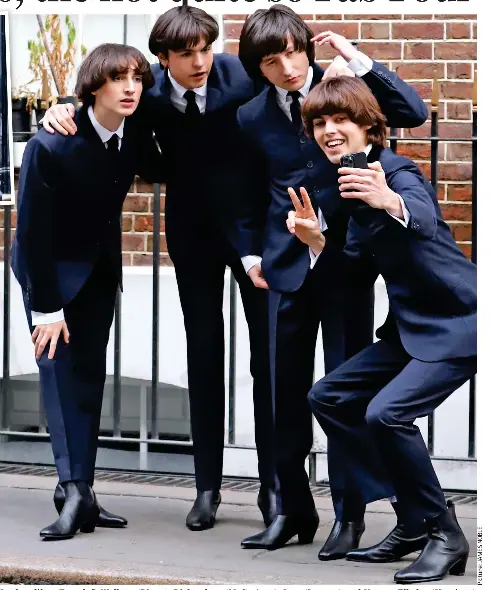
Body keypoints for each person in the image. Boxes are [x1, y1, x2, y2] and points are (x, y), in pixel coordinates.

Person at [42, 6, 277, 532]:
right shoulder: (144, 92)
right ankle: (207, 489)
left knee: (267, 359)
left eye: (206, 49)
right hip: (193, 234)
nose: (200, 62)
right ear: (163, 58)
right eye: (187, 54)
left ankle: (273, 487)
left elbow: (293, 90)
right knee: (204, 355)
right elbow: (99, 105)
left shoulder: (241, 75)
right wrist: (57, 110)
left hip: (253, 233)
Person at [236, 5, 428, 558]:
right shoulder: (251, 116)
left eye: (294, 53)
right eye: (272, 62)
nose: (288, 69)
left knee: (344, 395)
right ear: (258, 68)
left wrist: (357, 60)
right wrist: (251, 253)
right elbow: (247, 189)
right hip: (284, 269)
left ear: (306, 47)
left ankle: (350, 515)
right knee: (282, 395)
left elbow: (412, 113)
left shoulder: (341, 88)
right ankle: (291, 510)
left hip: (345, 264)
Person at [291, 74, 475, 583]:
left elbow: (423, 218)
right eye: (320, 123)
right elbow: (351, 275)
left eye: (340, 119)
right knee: (329, 397)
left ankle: (444, 533)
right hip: (411, 328)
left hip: (459, 321)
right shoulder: (349, 184)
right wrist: (315, 240)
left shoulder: (395, 170)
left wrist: (389, 200)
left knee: (388, 414)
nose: (329, 130)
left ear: (368, 126)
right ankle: (414, 518)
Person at [11, 43, 164, 539]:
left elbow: (163, 163)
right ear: (94, 86)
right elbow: (31, 233)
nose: (130, 88)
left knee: (89, 381)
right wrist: (46, 309)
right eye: (118, 79)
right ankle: (72, 490)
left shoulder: (133, 130)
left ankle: (83, 492)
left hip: (98, 273)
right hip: (48, 275)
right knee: (59, 378)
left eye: (137, 79)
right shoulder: (50, 144)